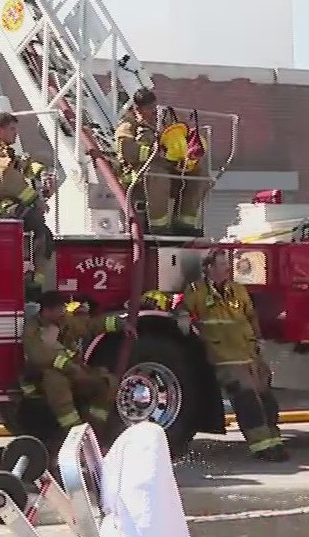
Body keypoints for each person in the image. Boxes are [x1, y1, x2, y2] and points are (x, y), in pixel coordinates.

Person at [179, 247, 288, 461]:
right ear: (208, 268)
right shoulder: (196, 291)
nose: (227, 268)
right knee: (248, 400)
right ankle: (262, 446)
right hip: (224, 357)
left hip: (249, 354)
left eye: (227, 264)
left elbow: (251, 316)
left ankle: (275, 441)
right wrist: (183, 320)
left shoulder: (238, 290)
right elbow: (184, 311)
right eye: (222, 264)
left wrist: (259, 340)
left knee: (267, 400)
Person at [21, 292, 133, 447]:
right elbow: (39, 356)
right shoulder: (32, 329)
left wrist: (119, 324)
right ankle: (76, 438)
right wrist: (68, 367)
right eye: (59, 308)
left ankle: (95, 432)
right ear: (47, 311)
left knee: (108, 383)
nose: (63, 311)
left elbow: (89, 326)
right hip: (45, 377)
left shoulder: (64, 322)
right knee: (57, 384)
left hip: (73, 372)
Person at [0, 111, 55, 300]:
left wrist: (42, 173)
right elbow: (7, 177)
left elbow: (22, 167)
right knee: (34, 219)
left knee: (45, 235)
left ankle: (35, 283)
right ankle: (27, 281)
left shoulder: (4, 151)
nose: (15, 134)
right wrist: (35, 200)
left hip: (2, 205)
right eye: (12, 129)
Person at [113, 88, 204, 236]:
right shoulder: (128, 127)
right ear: (138, 109)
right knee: (158, 173)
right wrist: (156, 152)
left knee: (199, 173)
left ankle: (185, 225)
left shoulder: (162, 124)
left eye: (155, 106)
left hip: (166, 169)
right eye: (149, 108)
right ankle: (158, 227)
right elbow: (129, 152)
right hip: (138, 174)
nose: (154, 111)